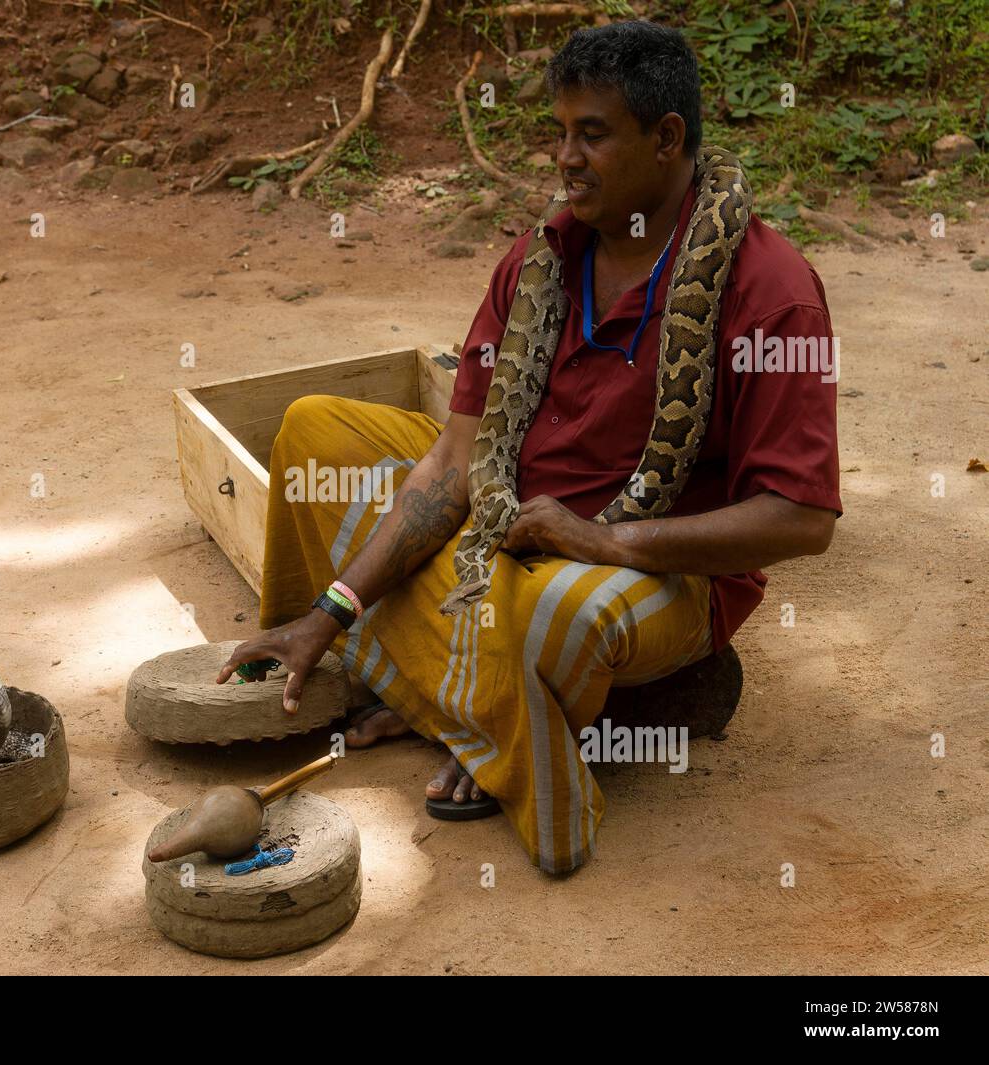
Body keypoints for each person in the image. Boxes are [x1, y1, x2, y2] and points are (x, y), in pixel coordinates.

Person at [217, 19, 841, 874]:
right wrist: (328, 611)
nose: (566, 159)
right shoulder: (541, 257)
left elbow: (802, 517)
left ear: (667, 140)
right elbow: (454, 462)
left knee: (552, 610)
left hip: (652, 561)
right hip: (511, 512)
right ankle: (427, 682)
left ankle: (481, 725)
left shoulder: (772, 294)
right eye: (559, 133)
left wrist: (608, 538)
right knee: (314, 429)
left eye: (593, 134)